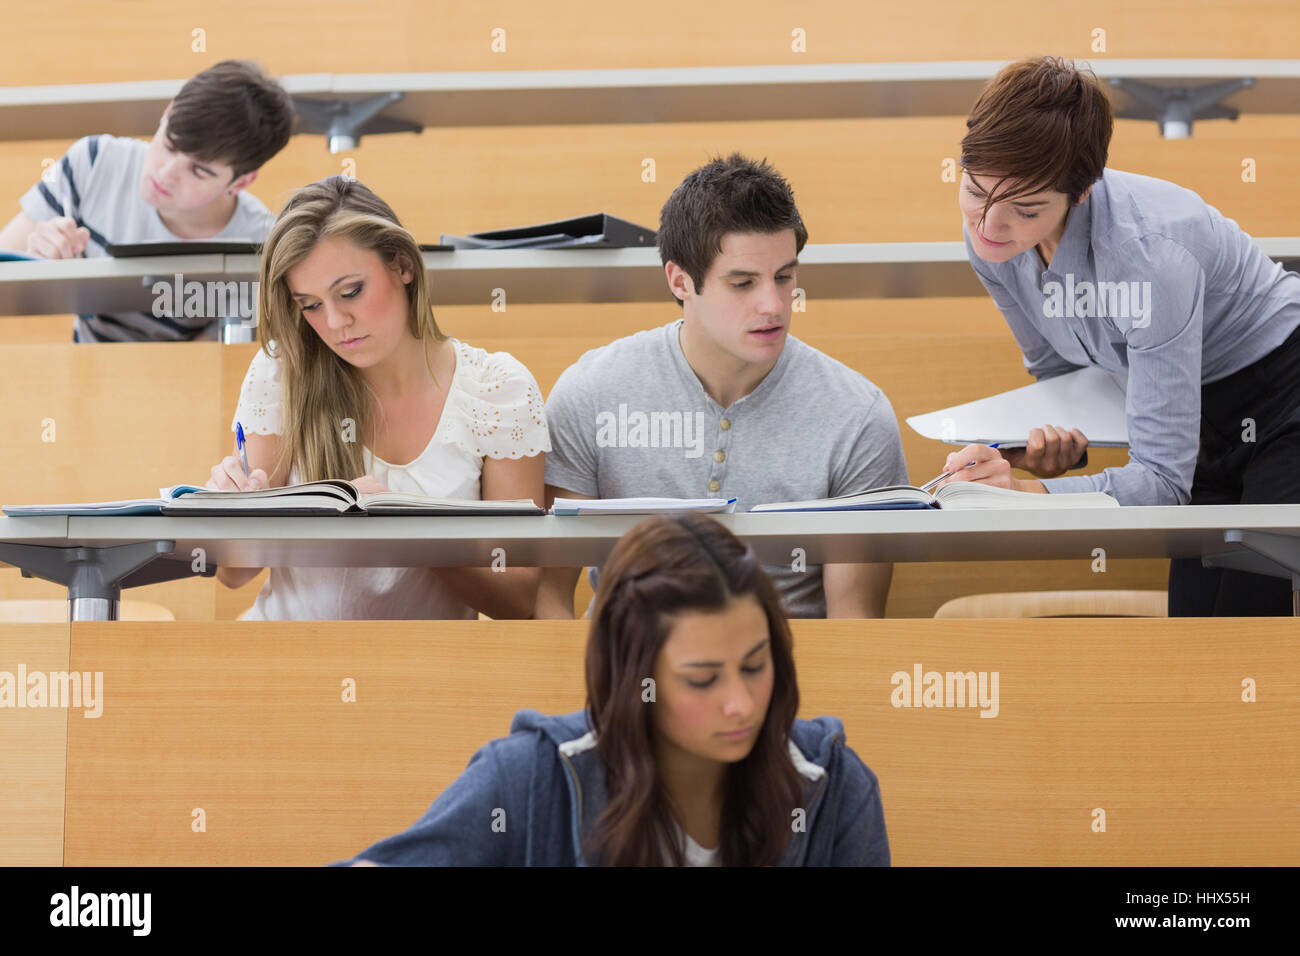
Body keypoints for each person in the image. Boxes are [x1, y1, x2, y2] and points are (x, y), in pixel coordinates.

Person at [941, 56, 1300, 617]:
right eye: (974, 189)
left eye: (1025, 209)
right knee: (1197, 625)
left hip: (1284, 391)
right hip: (1198, 410)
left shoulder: (1149, 254)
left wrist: (1027, 495)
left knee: (1252, 620)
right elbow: (1065, 378)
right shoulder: (994, 243)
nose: (987, 226)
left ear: (1080, 193)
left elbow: (1162, 482)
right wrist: (1037, 450)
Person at [336, 513, 890, 866]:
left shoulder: (831, 785)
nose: (740, 704)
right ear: (634, 676)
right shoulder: (532, 778)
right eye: (701, 679)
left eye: (754, 665)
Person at [536, 154, 908, 620]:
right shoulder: (589, 395)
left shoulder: (858, 415)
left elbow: (855, 626)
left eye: (785, 277)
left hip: (785, 676)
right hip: (625, 672)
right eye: (742, 283)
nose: (773, 305)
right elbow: (548, 600)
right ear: (680, 281)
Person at [206, 176, 549, 620]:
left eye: (351, 292)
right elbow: (234, 574)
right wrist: (229, 511)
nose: (334, 322)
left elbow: (517, 598)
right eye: (309, 305)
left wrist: (406, 530)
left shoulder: (498, 390)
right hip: (285, 659)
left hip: (426, 674)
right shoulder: (282, 372)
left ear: (403, 266)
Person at [0, 59, 294, 342]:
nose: (166, 173)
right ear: (167, 113)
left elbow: (208, 369)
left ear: (240, 182)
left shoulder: (259, 248)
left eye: (199, 171)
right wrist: (36, 257)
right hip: (84, 369)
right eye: (169, 144)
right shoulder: (94, 163)